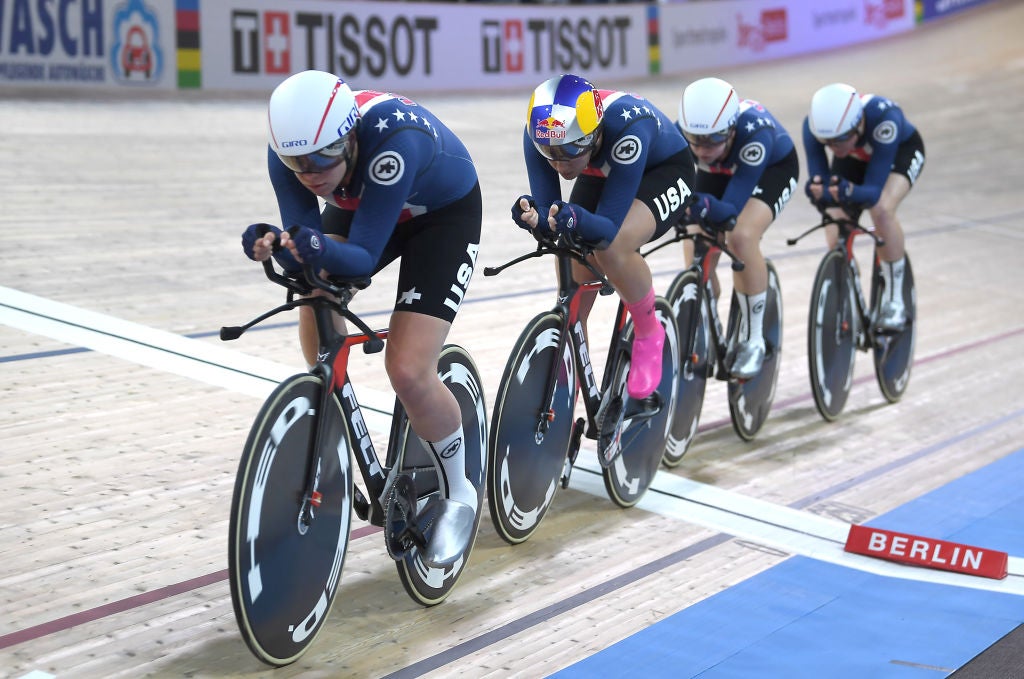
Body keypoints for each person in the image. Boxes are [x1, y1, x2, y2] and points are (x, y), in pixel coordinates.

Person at [241, 70, 482, 568]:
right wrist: (274, 243)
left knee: (408, 370)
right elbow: (306, 249)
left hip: (442, 216)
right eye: (296, 162)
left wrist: (309, 245)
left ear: (350, 135)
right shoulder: (293, 152)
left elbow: (362, 254)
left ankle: (461, 492)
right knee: (313, 289)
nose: (311, 173)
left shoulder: (395, 142)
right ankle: (330, 395)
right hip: (372, 203)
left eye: (323, 157)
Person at [512, 73, 696, 402]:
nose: (558, 162)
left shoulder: (628, 131)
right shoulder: (540, 134)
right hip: (603, 169)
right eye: (549, 152)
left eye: (568, 150)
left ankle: (649, 332)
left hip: (663, 171)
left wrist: (573, 218)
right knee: (569, 254)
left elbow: (608, 229)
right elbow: (550, 215)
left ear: (594, 134)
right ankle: (568, 369)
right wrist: (536, 220)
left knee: (613, 247)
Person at [677, 77, 799, 379]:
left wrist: (699, 206)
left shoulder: (755, 133)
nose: (702, 148)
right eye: (695, 138)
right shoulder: (687, 135)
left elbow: (730, 210)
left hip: (770, 170)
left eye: (713, 138)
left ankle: (754, 339)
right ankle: (712, 323)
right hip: (719, 171)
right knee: (695, 249)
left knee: (741, 237)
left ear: (731, 128)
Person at [803, 82, 925, 331]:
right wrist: (818, 192)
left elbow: (871, 192)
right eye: (828, 143)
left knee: (880, 209)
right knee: (835, 221)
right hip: (856, 160)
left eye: (840, 140)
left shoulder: (884, 118)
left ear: (858, 124)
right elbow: (820, 182)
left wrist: (847, 191)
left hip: (898, 155)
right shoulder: (813, 127)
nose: (835, 148)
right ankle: (849, 292)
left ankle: (894, 299)